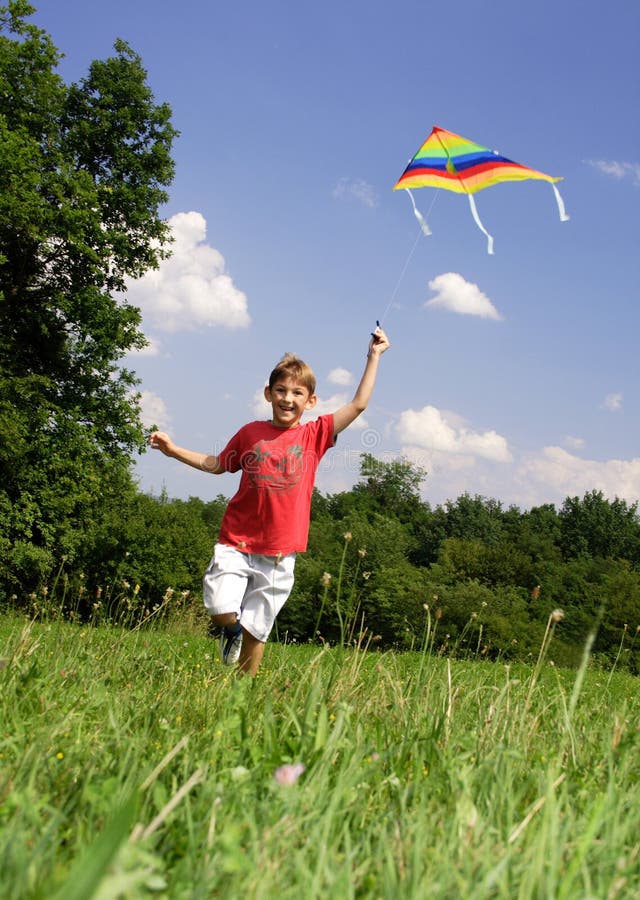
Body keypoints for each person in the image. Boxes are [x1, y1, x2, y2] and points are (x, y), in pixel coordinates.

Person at [149, 325, 390, 675]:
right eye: (280, 390)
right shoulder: (250, 433)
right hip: (237, 539)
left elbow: (358, 404)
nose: (287, 398)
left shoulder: (315, 434)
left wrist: (374, 356)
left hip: (279, 552)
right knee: (220, 607)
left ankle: (242, 691)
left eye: (297, 393)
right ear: (268, 393)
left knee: (258, 628)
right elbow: (217, 465)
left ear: (310, 402)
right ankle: (229, 631)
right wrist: (173, 451)